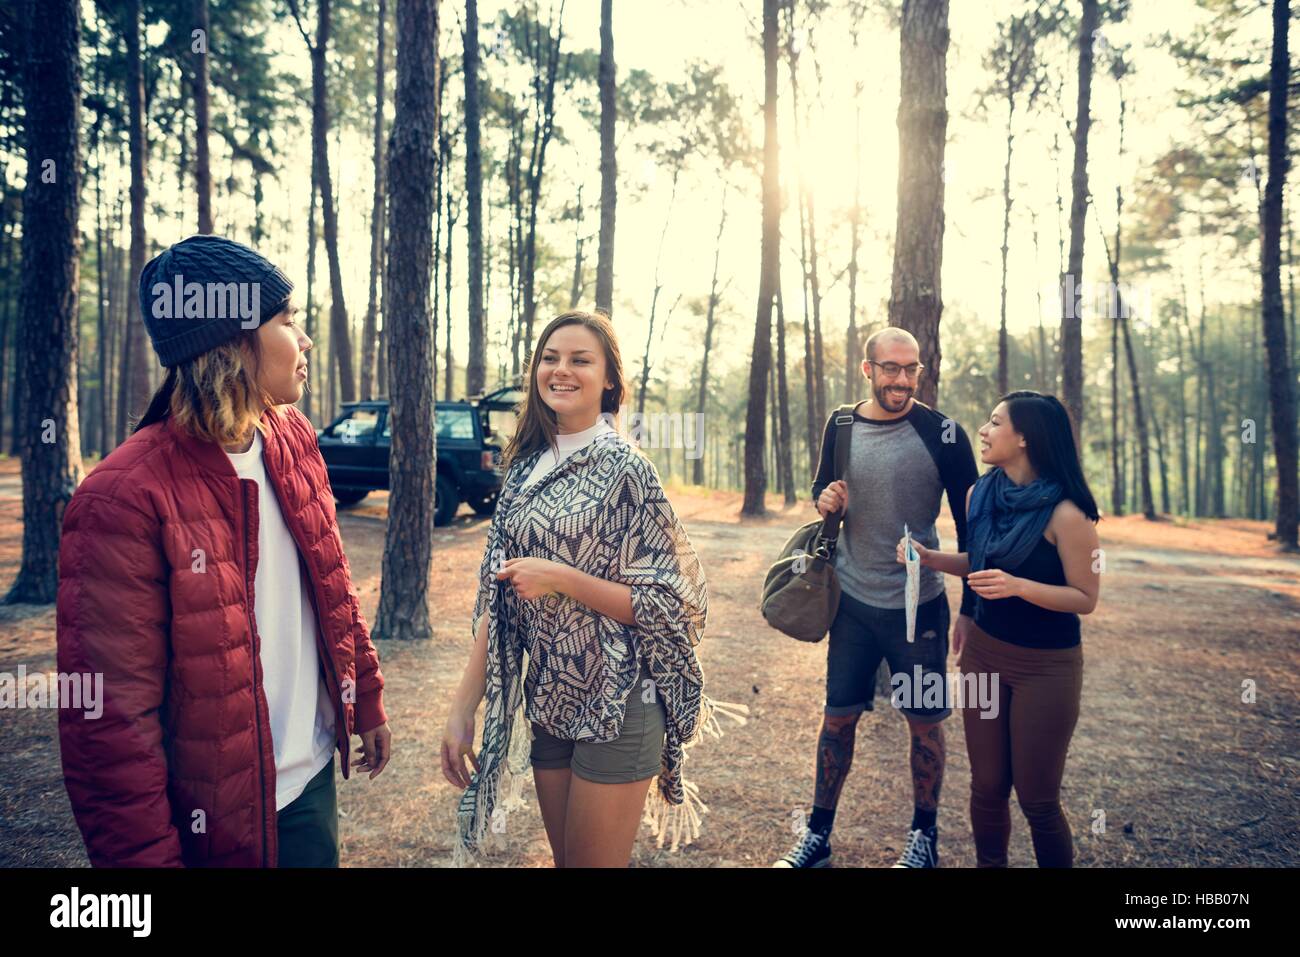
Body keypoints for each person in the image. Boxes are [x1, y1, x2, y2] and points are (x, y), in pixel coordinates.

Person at [56, 235, 391, 867]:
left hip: (310, 782)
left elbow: (332, 580)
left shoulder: (291, 437)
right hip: (211, 827)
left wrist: (363, 696)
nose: (306, 340)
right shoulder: (122, 498)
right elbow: (108, 727)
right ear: (233, 341)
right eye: (288, 320)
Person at [441, 309, 745, 867]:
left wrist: (561, 579)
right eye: (550, 358)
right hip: (552, 698)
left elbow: (674, 604)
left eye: (581, 360)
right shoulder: (525, 467)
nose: (561, 370)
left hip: (620, 701)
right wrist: (464, 706)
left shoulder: (626, 470)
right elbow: (498, 600)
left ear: (609, 379)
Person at [775, 327, 978, 869]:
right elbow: (824, 495)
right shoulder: (841, 424)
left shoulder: (945, 434)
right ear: (868, 370)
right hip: (853, 605)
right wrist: (827, 502)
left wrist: (974, 610)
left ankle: (924, 839)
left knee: (924, 723)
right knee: (838, 718)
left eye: (911, 369)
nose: (902, 380)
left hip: (920, 608)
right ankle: (817, 836)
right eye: (891, 368)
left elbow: (974, 528)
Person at [897, 390, 1100, 867]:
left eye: (994, 423)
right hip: (984, 656)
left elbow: (1085, 599)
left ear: (1025, 438)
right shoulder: (981, 493)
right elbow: (981, 563)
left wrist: (1018, 586)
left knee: (1037, 798)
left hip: (1046, 668)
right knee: (987, 787)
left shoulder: (1068, 515)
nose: (983, 432)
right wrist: (931, 559)